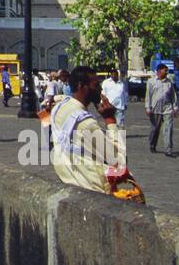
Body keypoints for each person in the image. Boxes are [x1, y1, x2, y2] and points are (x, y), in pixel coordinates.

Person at [48, 66, 141, 201]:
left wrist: (56, 98)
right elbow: (119, 162)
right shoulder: (87, 123)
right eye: (96, 85)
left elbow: (54, 105)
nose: (100, 90)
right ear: (82, 86)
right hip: (90, 188)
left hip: (68, 180)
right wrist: (110, 120)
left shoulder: (59, 108)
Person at [145, 63, 175, 156]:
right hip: (155, 109)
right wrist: (148, 107)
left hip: (167, 108)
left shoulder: (169, 82)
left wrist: (175, 106)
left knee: (168, 129)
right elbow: (148, 95)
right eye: (164, 70)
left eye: (167, 71)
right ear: (159, 71)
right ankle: (152, 144)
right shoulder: (151, 81)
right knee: (155, 129)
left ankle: (168, 150)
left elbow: (173, 95)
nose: (166, 72)